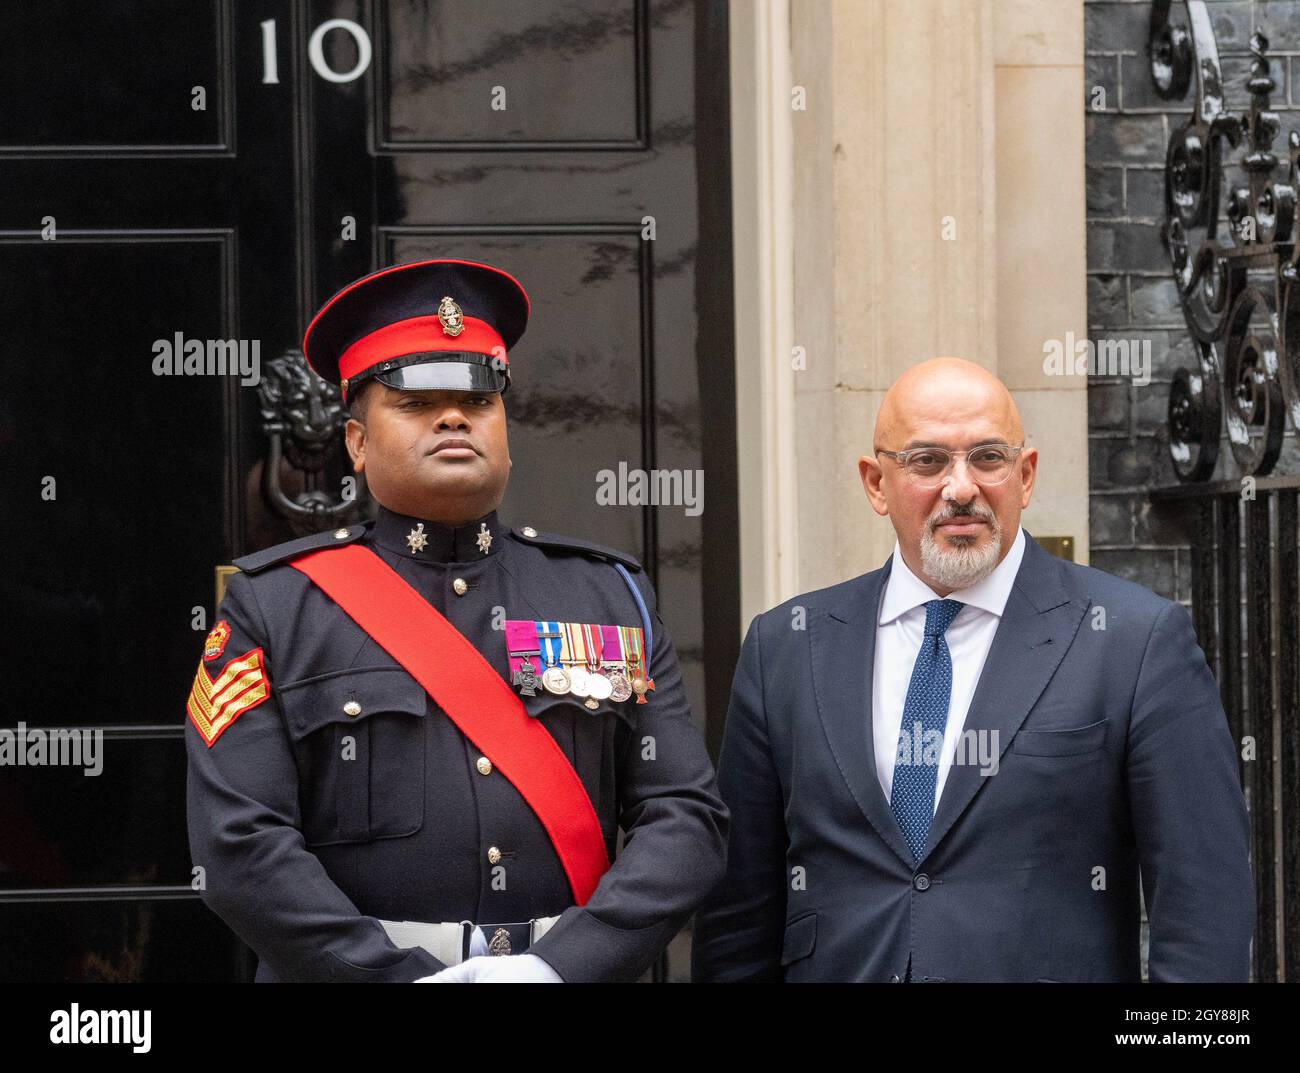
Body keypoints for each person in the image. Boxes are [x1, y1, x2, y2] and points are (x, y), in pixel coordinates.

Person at [185, 258, 728, 983]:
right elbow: (239, 845)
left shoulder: (608, 594)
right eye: (415, 403)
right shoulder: (275, 607)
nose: (453, 418)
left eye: (478, 400)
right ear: (356, 443)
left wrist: (560, 967)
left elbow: (685, 817)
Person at [691, 356, 1253, 983]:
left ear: (1025, 475)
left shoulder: (1134, 640)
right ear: (876, 484)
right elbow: (738, 916)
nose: (961, 488)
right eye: (927, 461)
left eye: (987, 458)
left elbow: (1206, 910)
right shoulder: (786, 647)